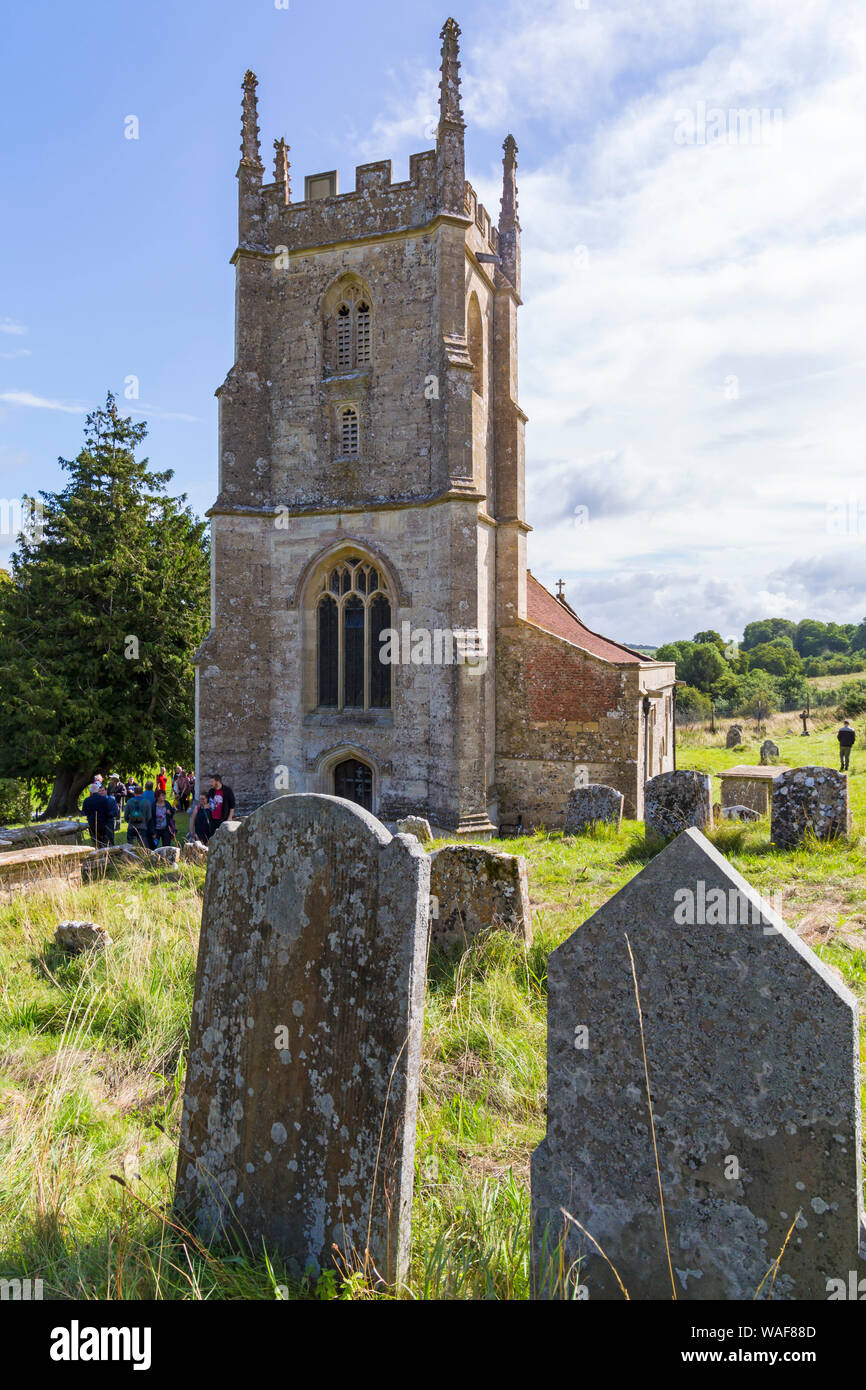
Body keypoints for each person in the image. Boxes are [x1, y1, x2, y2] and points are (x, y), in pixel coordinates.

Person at [81, 782, 118, 848]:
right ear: (97, 791)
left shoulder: (110, 800)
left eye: (103, 790)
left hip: (108, 823)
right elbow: (84, 812)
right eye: (99, 791)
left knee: (109, 842)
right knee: (97, 842)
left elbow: (115, 812)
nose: (101, 792)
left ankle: (110, 856)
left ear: (106, 791)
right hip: (96, 824)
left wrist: (108, 815)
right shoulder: (101, 800)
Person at [124, 784, 154, 851]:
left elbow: (125, 816)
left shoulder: (129, 802)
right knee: (143, 847)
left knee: (130, 846)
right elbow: (149, 816)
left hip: (131, 826)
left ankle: (130, 859)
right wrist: (144, 822)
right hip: (142, 827)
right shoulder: (147, 802)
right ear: (142, 793)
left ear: (134, 792)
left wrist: (129, 821)